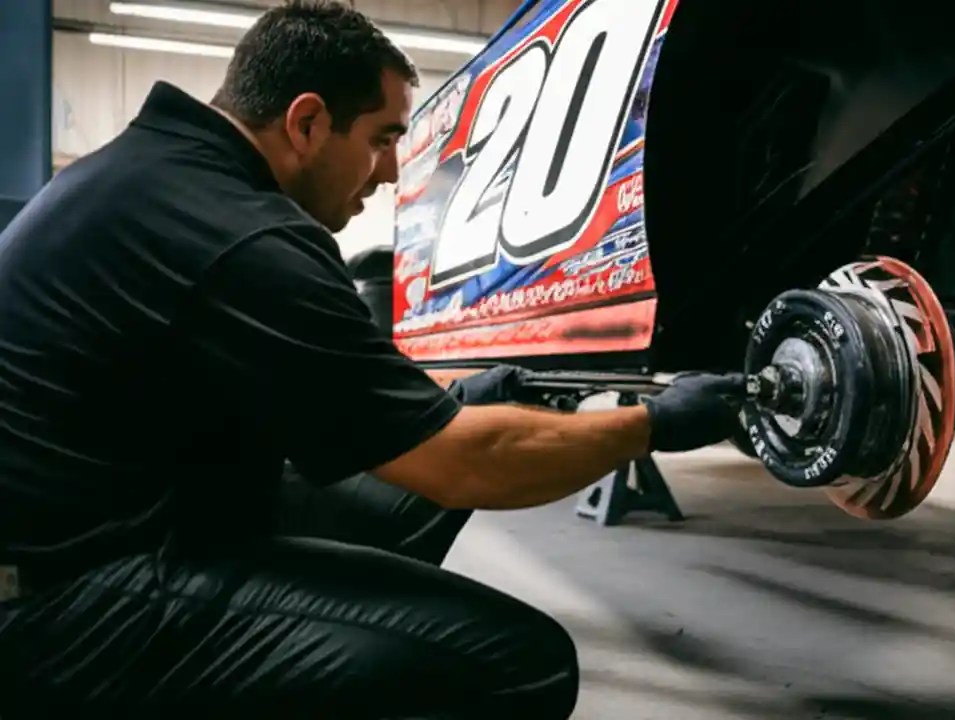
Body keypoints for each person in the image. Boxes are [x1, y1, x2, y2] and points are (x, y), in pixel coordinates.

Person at [0, 2, 742, 718]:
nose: (390, 173)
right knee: (519, 662)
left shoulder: (163, 180)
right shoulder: (246, 238)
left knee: (411, 495)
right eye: (383, 139)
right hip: (62, 605)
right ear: (308, 122)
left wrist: (467, 394)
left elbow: (337, 388)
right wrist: (654, 424)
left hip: (108, 527)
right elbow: (464, 464)